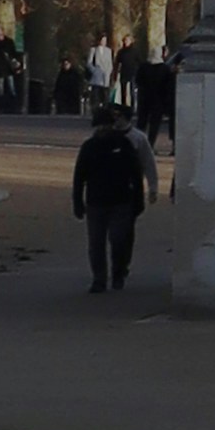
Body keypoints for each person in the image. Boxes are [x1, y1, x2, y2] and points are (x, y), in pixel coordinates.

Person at [70, 98, 150, 295]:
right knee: (95, 244)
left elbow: (135, 174)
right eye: (99, 126)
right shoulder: (89, 147)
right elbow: (79, 177)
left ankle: (118, 273)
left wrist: (138, 200)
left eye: (105, 125)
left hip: (121, 201)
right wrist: (78, 203)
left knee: (118, 240)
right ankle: (99, 279)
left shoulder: (124, 144)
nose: (102, 130)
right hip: (95, 202)